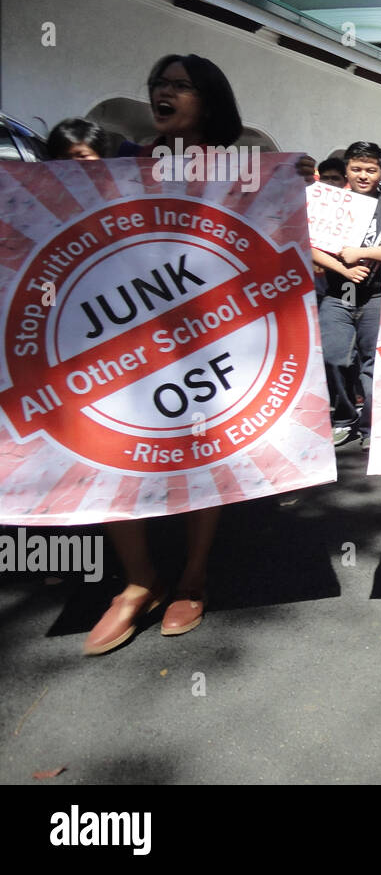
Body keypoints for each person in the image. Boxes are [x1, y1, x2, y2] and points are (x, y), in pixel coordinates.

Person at [83, 54, 245, 654]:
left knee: (203, 448)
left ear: (208, 99)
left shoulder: (238, 169)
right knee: (107, 446)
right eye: (159, 84)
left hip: (206, 330)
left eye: (181, 85)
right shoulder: (122, 160)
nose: (165, 93)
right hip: (121, 333)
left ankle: (193, 575)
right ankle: (138, 580)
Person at [312, 141, 381, 449]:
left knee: (375, 365)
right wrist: (344, 270)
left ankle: (371, 425)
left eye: (371, 170)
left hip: (375, 296)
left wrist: (363, 252)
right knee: (333, 358)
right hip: (337, 294)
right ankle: (343, 418)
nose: (363, 176)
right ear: (346, 171)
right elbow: (311, 245)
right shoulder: (331, 203)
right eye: (356, 169)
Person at [45, 118, 111, 161]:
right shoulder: (43, 182)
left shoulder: (114, 182)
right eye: (66, 158)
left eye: (82, 156)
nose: (75, 163)